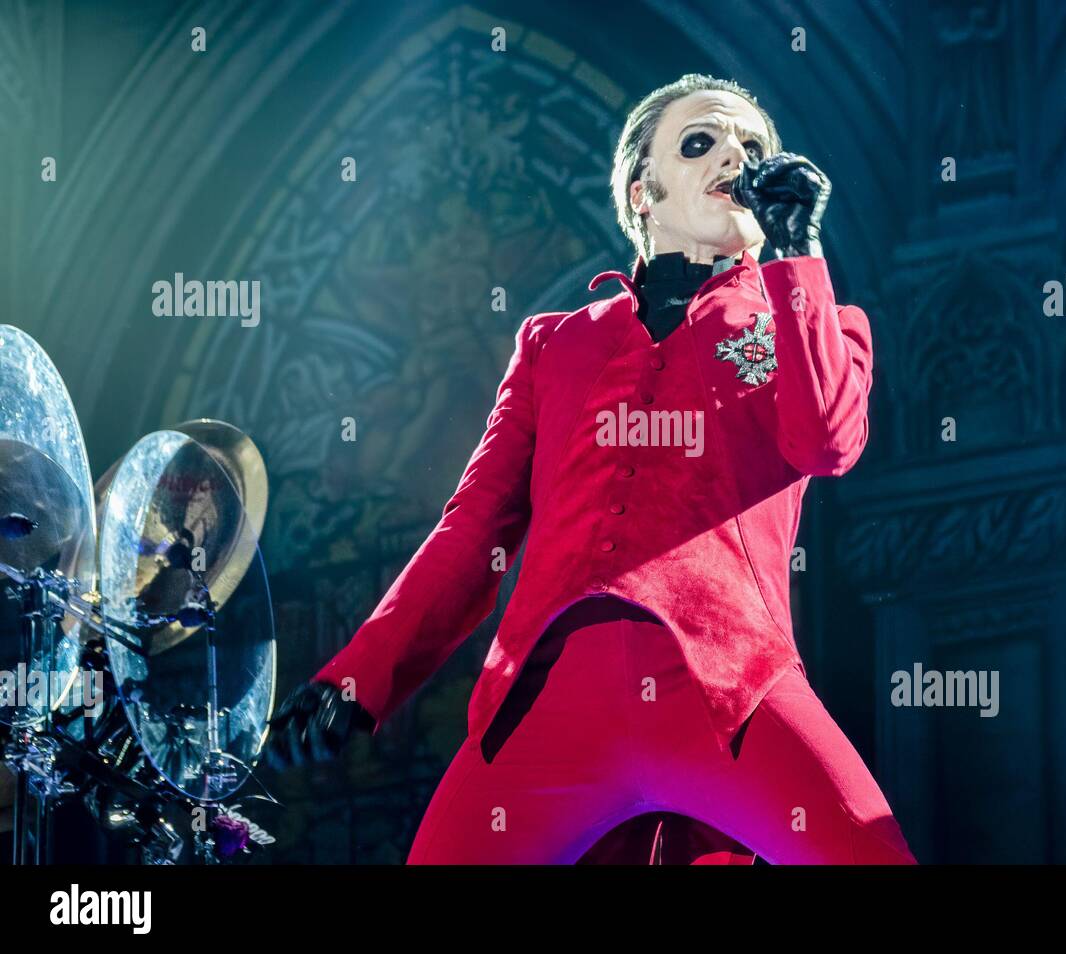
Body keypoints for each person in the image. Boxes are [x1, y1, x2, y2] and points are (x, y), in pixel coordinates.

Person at [267, 73, 916, 865]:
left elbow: (826, 441)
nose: (736, 157)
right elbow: (473, 528)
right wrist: (358, 677)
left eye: (754, 147)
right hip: (545, 700)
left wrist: (796, 255)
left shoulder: (815, 319)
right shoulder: (554, 345)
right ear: (644, 191)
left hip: (732, 691)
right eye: (702, 141)